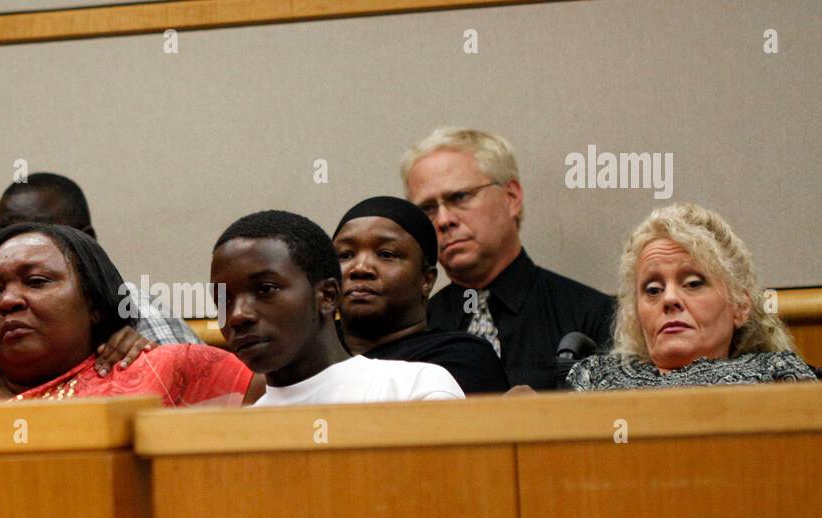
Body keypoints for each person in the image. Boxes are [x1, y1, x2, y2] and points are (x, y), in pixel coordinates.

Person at [0, 223, 253, 407]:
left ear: (93, 302)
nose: (8, 301)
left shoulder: (167, 368)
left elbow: (291, 400)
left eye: (37, 281)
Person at [0, 172, 201, 381]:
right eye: (1, 237)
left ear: (88, 243)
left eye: (37, 281)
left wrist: (149, 362)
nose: (15, 247)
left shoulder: (131, 308)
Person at [402, 127, 615, 389]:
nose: (444, 220)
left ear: (511, 197)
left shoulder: (593, 317)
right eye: (428, 208)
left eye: (459, 197)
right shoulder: (414, 330)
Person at [210, 210, 464, 406]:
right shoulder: (238, 433)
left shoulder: (414, 388)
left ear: (327, 296)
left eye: (265, 289)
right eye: (223, 300)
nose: (237, 315)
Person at [567, 204, 816, 390]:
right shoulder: (595, 380)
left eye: (693, 283)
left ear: (740, 306)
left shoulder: (777, 378)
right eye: (653, 290)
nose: (669, 299)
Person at [333, 196, 509, 394]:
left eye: (386, 254)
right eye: (345, 255)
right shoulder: (305, 357)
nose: (360, 268)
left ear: (426, 279)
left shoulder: (461, 359)